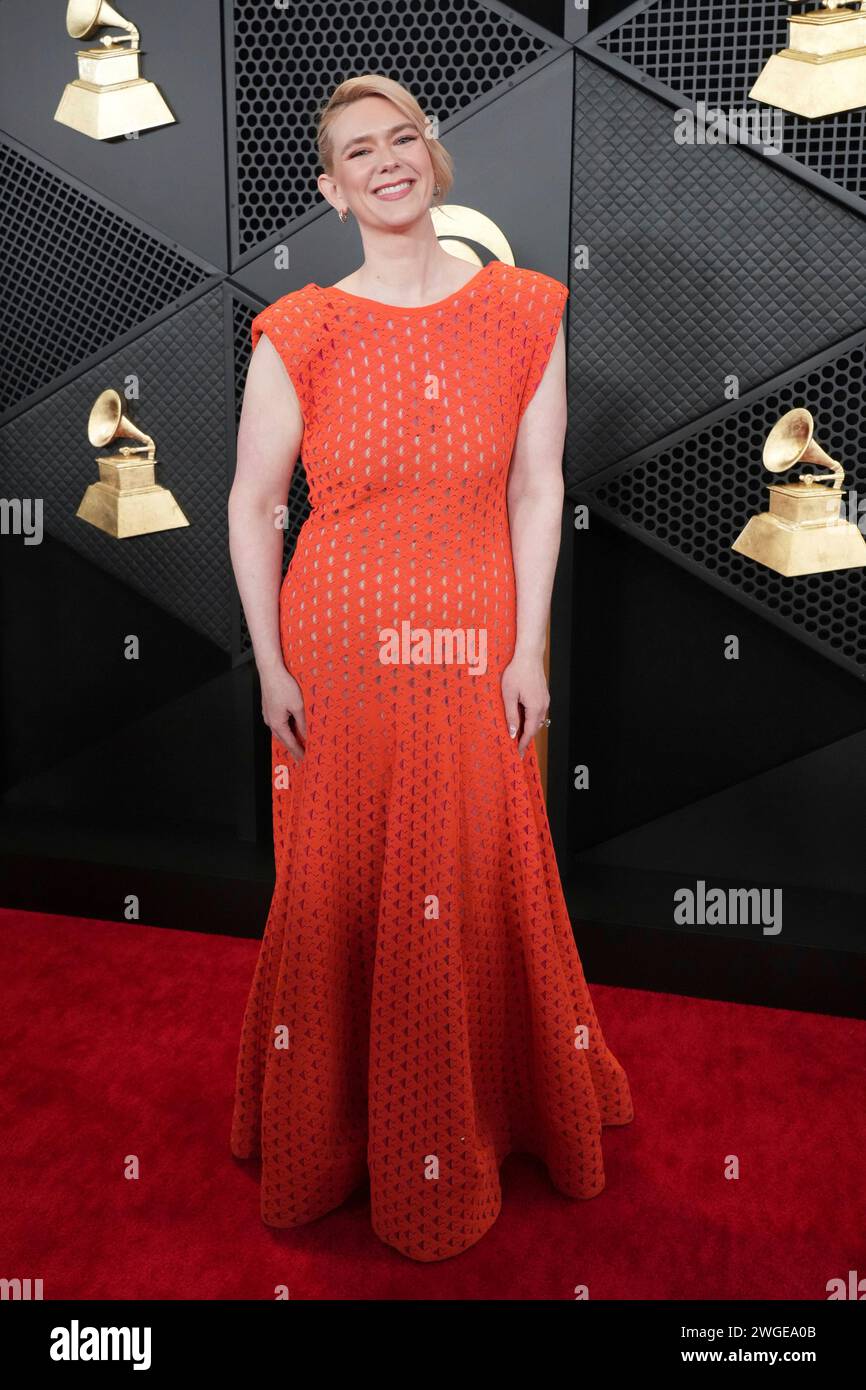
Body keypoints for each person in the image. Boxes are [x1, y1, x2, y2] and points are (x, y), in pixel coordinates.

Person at [228, 73, 633, 1263]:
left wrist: (527, 647)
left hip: (474, 653)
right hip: (336, 651)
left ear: (431, 155)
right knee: (340, 879)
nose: (386, 161)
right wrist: (268, 664)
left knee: (471, 867)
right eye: (358, 150)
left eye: (401, 137)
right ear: (331, 188)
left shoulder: (525, 310)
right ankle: (332, 1130)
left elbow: (536, 486)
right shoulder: (298, 328)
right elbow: (253, 507)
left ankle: (481, 1118)